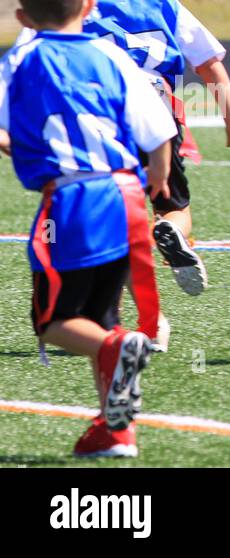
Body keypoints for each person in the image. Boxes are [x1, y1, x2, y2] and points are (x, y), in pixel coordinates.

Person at [18, 0, 230, 351]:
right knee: (173, 207)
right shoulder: (165, 5)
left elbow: (35, 63)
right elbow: (208, 62)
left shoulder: (72, 10)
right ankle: (168, 233)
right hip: (159, 118)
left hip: (98, 129)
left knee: (113, 226)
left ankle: (130, 323)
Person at [1, 0, 178, 457]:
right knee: (103, 314)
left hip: (73, 199)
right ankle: (115, 431)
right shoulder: (110, 53)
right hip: (128, 195)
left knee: (54, 320)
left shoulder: (20, 58)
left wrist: (24, 146)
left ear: (22, 18)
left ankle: (117, 348)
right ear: (89, 7)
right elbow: (158, 126)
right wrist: (159, 174)